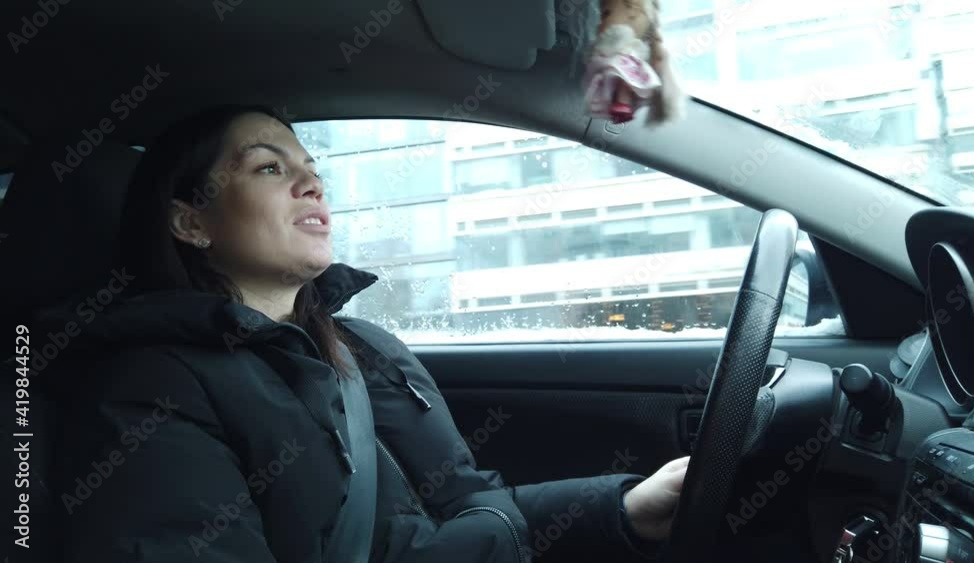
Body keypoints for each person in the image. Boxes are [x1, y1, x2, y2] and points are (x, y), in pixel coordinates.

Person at [34, 105, 690, 562]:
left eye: (310, 166)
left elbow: (468, 506)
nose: (312, 183)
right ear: (191, 222)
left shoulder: (366, 348)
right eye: (268, 168)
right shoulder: (150, 390)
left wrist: (623, 508)